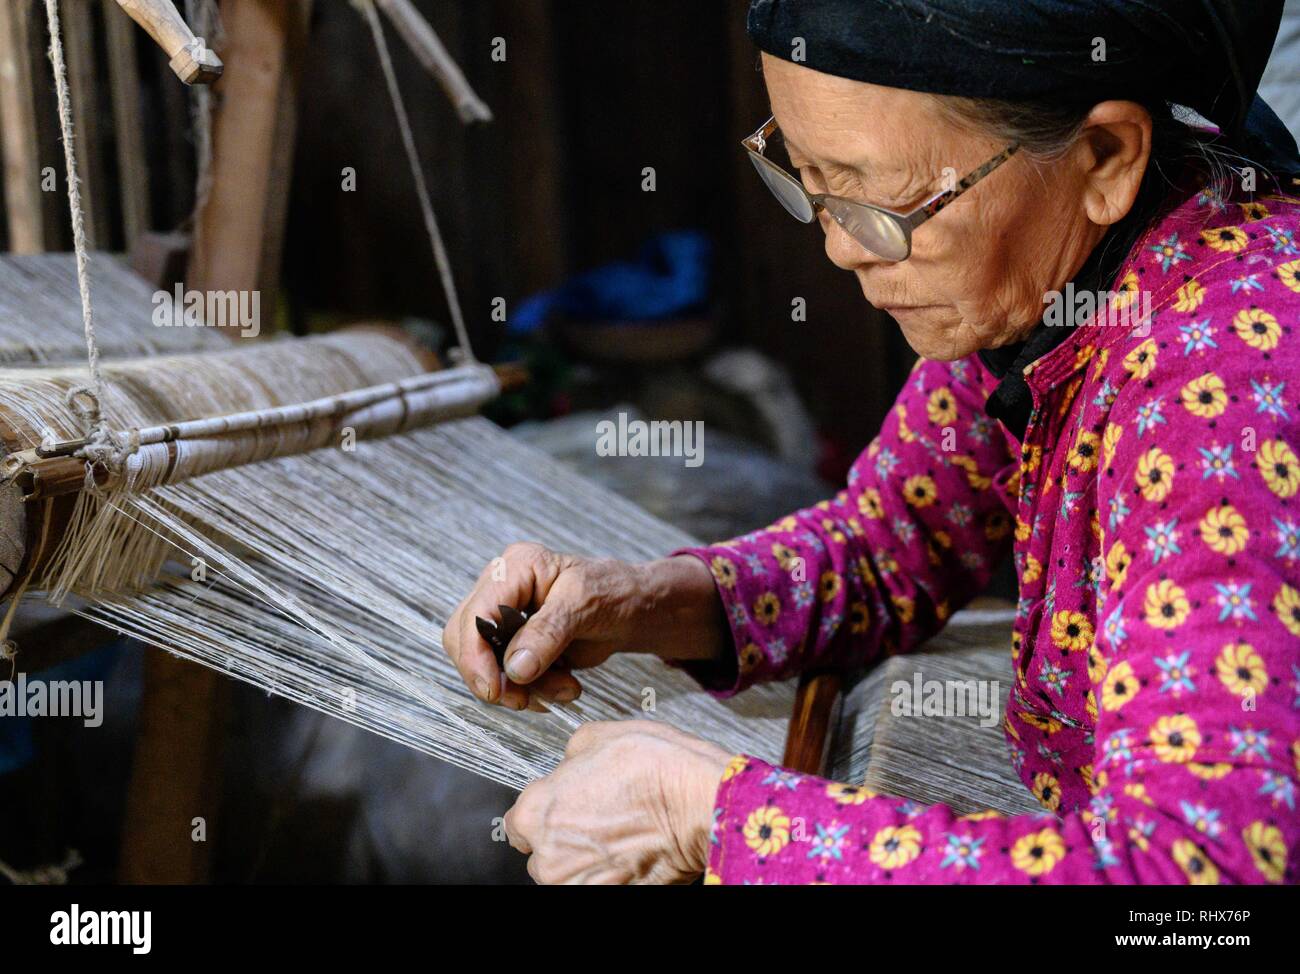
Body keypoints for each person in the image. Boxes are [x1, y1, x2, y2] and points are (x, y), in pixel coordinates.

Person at [444, 0, 1300, 884]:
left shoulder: (1225, 387)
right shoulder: (1050, 293)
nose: (840, 248)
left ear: (1105, 159)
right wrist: (644, 599)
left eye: (883, 200)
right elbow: (892, 544)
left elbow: (1206, 885)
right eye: (809, 179)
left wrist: (708, 816)